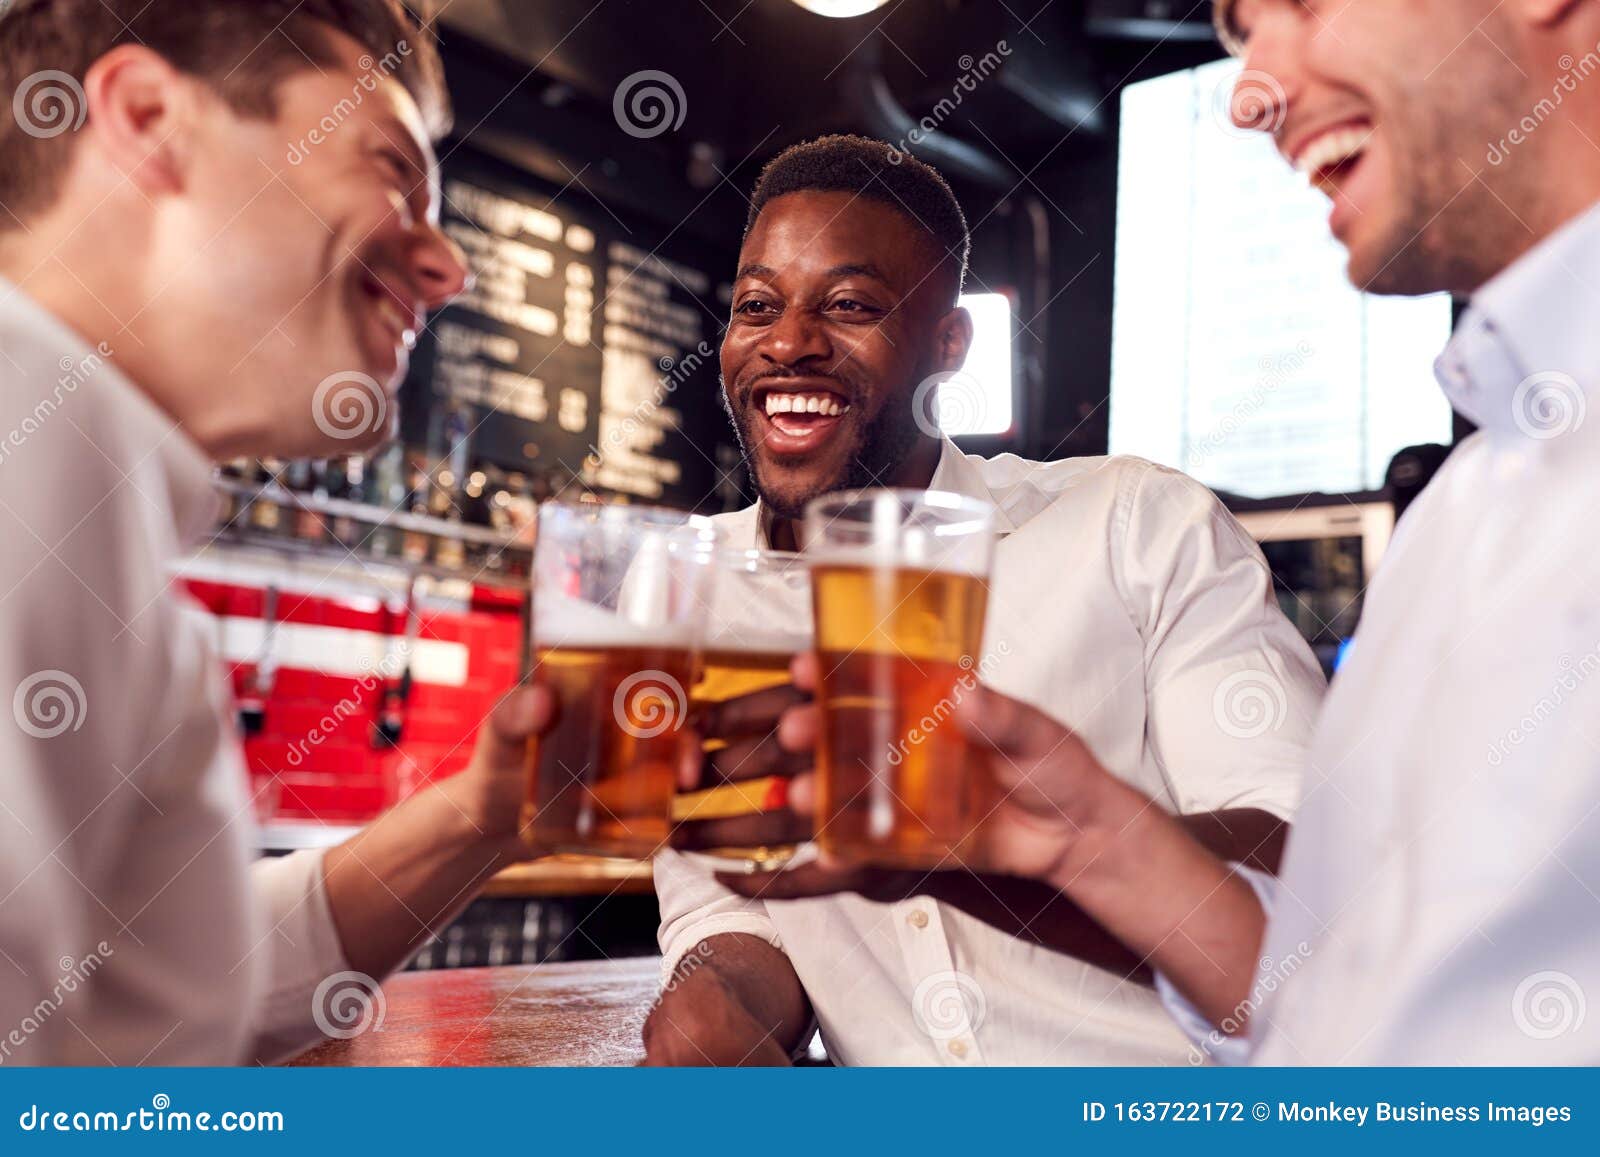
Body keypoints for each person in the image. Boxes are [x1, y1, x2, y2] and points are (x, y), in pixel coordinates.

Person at [742, 1, 1600, 1064]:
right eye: (1236, 32)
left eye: (1296, 3)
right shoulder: (1470, 511)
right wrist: (1074, 841)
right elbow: (1359, 1024)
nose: (1247, 94)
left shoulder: (1142, 522)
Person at [642, 134, 1327, 1066]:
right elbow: (733, 913)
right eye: (757, 305)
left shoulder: (1134, 523)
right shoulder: (688, 596)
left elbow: (1296, 845)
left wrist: (992, 844)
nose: (790, 341)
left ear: (949, 344)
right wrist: (711, 1012)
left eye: (849, 306)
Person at [0, 0, 551, 1065]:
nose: (448, 268)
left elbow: (128, 1010)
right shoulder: (37, 416)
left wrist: (486, 809)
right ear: (151, 116)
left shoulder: (91, 471)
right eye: (391, 167)